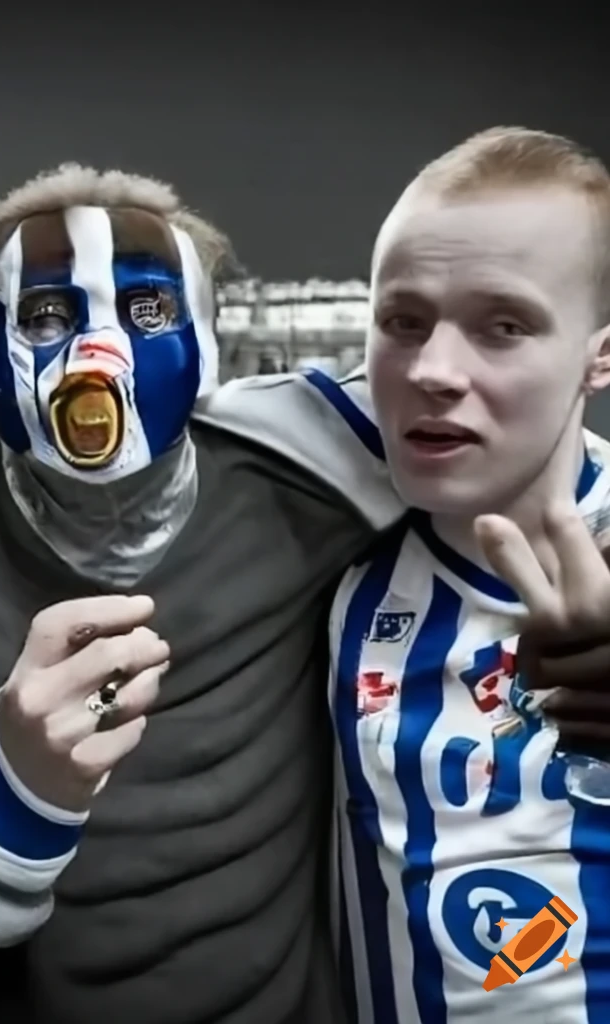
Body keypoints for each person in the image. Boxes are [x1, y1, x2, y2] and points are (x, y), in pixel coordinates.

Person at [0, 158, 610, 1024]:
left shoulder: (316, 458)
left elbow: (528, 445)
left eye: (146, 312)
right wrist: (5, 782)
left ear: (205, 335)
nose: (97, 354)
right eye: (46, 316)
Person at [329, 127, 610, 1023]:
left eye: (504, 327)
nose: (433, 371)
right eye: (403, 322)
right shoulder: (328, 563)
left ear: (601, 356)